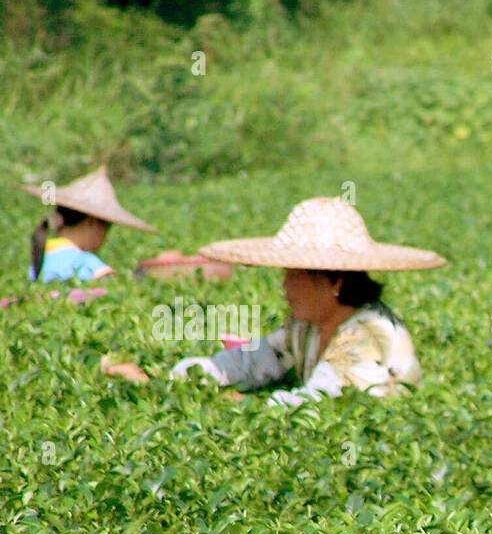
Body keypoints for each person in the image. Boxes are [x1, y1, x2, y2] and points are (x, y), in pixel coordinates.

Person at [103, 197, 444, 406]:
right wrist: (167, 380)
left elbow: (309, 410)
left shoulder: (370, 336)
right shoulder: (306, 328)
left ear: (334, 281)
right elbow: (248, 363)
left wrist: (226, 403)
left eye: (293, 276)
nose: (284, 286)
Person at [21, 165, 155, 283]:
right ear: (92, 222)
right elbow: (115, 289)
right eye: (106, 228)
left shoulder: (39, 256)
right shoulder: (86, 262)